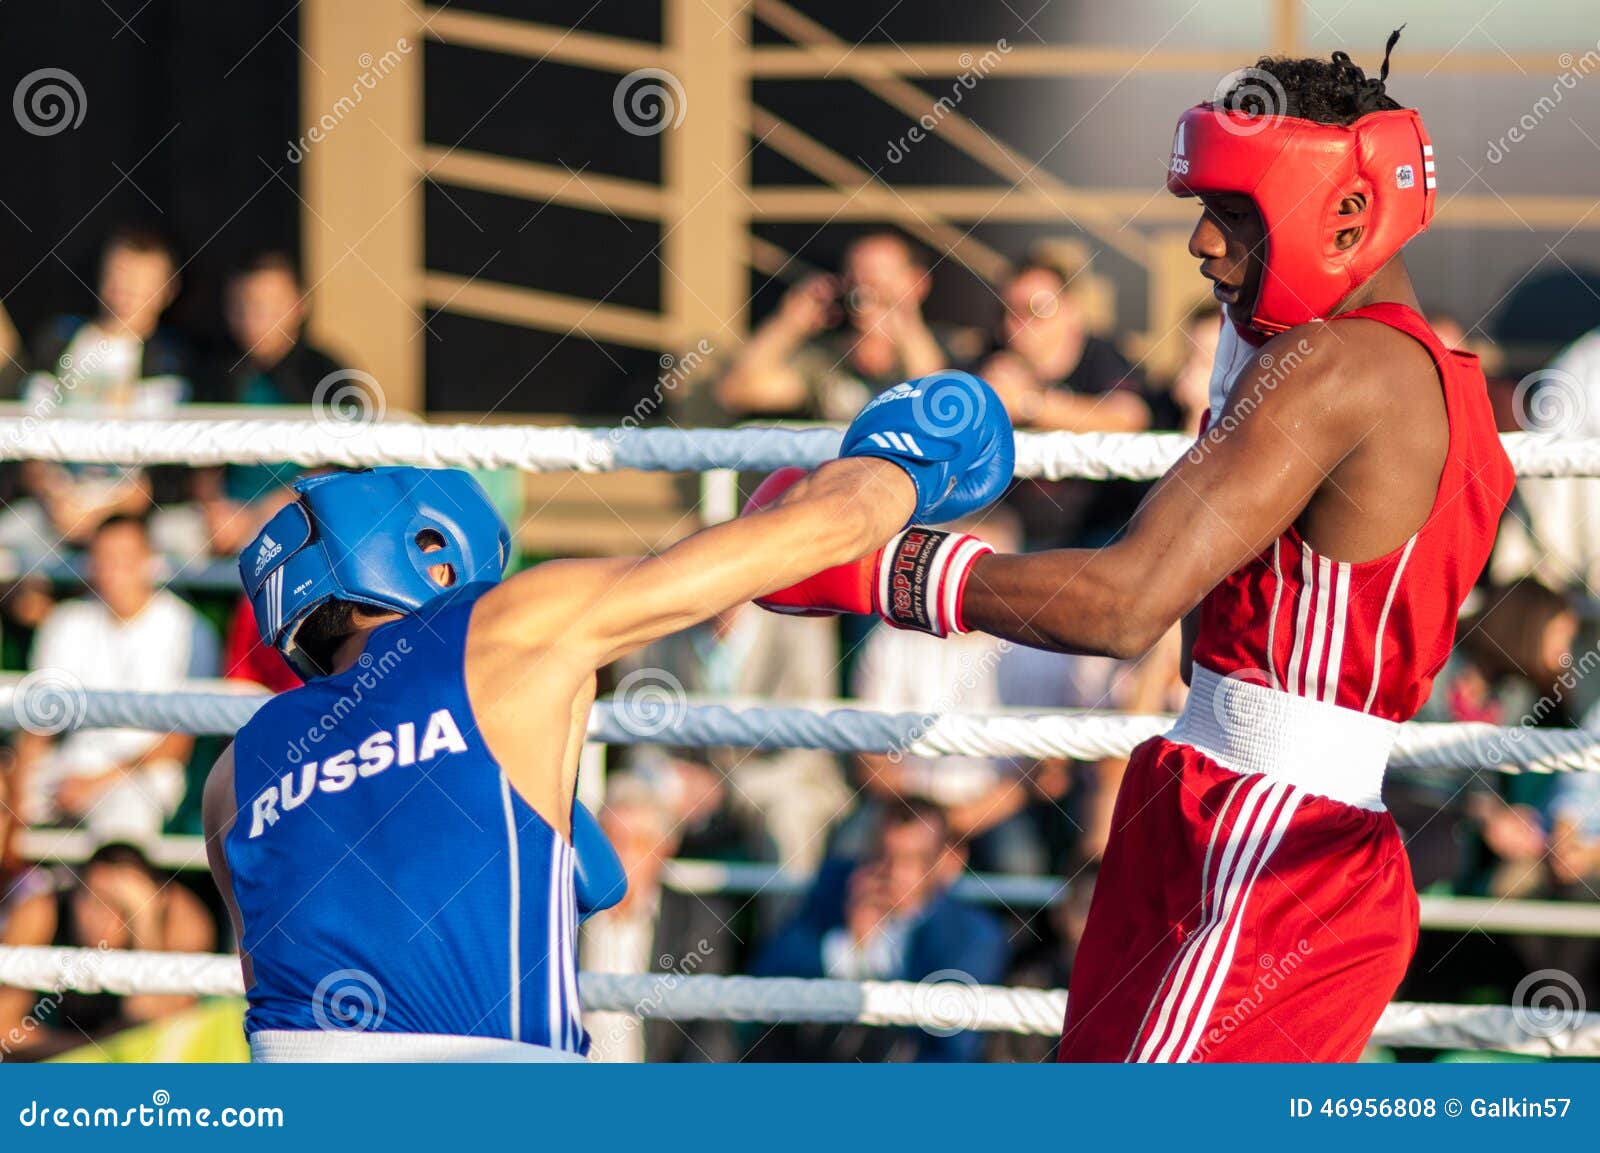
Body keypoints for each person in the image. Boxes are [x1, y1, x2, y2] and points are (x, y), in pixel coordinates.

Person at [758, 40, 1515, 1062]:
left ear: (1343, 211)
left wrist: (872, 565)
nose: (1203, 244)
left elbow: (1122, 602)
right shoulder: (1368, 362)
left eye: (1236, 213)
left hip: (1275, 848)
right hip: (1217, 806)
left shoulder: (1346, 369)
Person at [202, 371, 1013, 1061]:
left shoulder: (234, 772)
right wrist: (907, 460)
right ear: (436, 552)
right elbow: (819, 531)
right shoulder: (506, 625)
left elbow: (279, 974)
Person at [751, 799, 1009, 1062]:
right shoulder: (838, 886)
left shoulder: (972, 935)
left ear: (948, 862)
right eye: (881, 855)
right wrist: (850, 944)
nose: (891, 873)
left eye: (911, 860)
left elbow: (953, 1048)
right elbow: (767, 973)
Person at [13, 515, 218, 841]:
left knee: (120, 833)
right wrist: (16, 793)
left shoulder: (189, 629)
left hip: (143, 779)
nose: (112, 570)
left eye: (124, 558)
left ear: (149, 561)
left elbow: (178, 743)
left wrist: (96, 782)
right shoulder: (66, 622)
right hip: (66, 771)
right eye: (103, 558)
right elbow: (38, 725)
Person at [5, 226, 189, 547]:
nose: (127, 288)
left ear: (168, 289)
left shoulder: (174, 361)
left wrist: (102, 513)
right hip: (50, 505)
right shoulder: (58, 339)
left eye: (142, 279)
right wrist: (54, 496)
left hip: (126, 522)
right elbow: (28, 431)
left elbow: (164, 473)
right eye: (119, 273)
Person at [194, 252, 354, 558]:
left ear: (299, 305)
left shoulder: (327, 372)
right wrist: (213, 509)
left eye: (270, 306)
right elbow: (197, 455)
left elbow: (339, 465)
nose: (258, 318)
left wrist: (256, 516)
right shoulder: (214, 372)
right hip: (220, 520)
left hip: (303, 512)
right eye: (246, 306)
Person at [0, 842, 215, 1060]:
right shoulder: (42, 911)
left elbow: (160, 1030)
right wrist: (94, 1053)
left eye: (120, 905)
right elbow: (4, 1028)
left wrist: (146, 925)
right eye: (94, 902)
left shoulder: (181, 918)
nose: (101, 920)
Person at [579, 774, 737, 1063]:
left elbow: (708, 1032)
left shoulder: (697, 924)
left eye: (639, 842)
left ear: (664, 849)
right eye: (614, 839)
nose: (624, 855)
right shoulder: (565, 916)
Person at [715, 233, 955, 421]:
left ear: (918, 283)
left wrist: (903, 321)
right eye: (856, 273)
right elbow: (739, 391)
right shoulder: (827, 359)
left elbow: (935, 409)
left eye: (881, 272)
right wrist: (790, 324)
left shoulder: (952, 347)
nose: (865, 283)